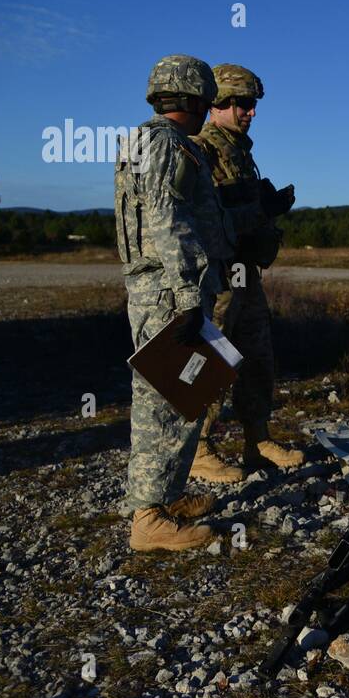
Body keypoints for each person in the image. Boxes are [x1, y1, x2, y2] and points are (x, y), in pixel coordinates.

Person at [114, 55, 236, 550]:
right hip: (168, 292)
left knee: (185, 395)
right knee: (164, 400)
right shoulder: (167, 145)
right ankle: (148, 520)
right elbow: (168, 219)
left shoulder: (145, 141)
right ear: (196, 97)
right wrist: (188, 294)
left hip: (161, 289)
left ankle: (163, 497)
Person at [188, 64, 300, 480]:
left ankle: (257, 439)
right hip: (217, 273)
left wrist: (265, 206)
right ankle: (197, 448)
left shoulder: (238, 151)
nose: (251, 112)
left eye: (253, 105)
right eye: (244, 104)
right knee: (212, 356)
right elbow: (206, 219)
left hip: (244, 271)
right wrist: (261, 209)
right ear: (217, 104)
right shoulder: (202, 149)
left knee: (256, 355)